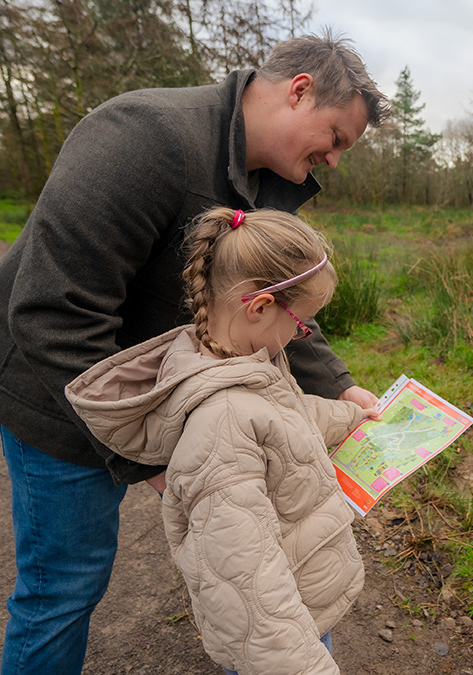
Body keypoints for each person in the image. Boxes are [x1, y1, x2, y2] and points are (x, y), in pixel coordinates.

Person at [0, 31, 390, 673]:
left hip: (172, 392)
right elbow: (52, 313)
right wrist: (150, 456)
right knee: (65, 587)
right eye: (336, 139)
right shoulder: (143, 139)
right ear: (300, 92)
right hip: (58, 397)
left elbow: (282, 303)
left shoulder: (273, 182)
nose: (334, 161)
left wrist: (337, 386)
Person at [66, 206, 379, 674]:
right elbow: (247, 580)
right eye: (301, 321)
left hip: (300, 603)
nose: (302, 334)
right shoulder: (222, 420)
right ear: (259, 307)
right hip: (278, 642)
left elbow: (288, 418)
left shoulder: (241, 366)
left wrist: (351, 415)